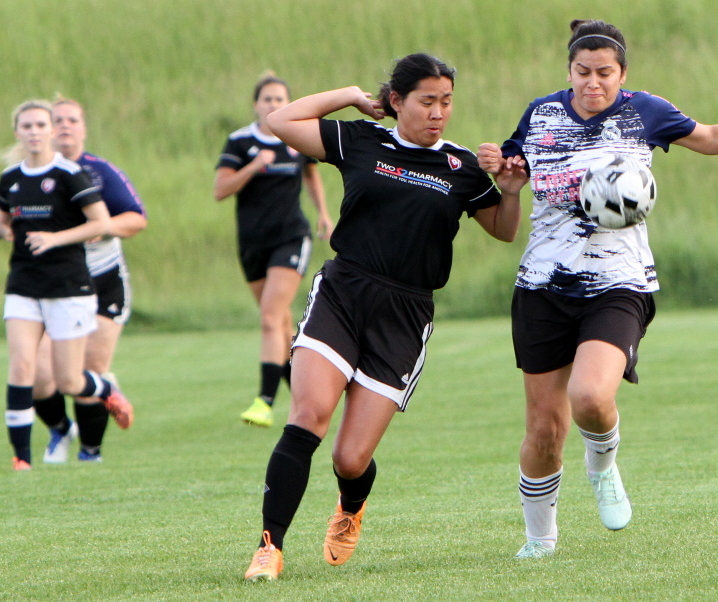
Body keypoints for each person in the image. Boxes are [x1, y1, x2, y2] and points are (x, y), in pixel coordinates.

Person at [478, 19, 718, 559]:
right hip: (542, 284)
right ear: (569, 71)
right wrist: (501, 167)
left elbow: (710, 137)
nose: (593, 83)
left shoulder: (644, 112)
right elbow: (514, 169)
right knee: (543, 428)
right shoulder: (541, 113)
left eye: (604, 74)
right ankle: (539, 541)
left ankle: (603, 464)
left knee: (590, 397)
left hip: (620, 284)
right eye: (582, 73)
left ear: (623, 74)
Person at [242, 53, 528, 582]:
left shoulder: (461, 166)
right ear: (395, 102)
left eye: (445, 102)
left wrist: (510, 193)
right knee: (308, 416)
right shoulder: (361, 140)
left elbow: (505, 231)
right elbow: (280, 123)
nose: (438, 112)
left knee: (350, 459)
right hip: (343, 295)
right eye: (426, 101)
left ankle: (350, 506)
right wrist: (349, 95)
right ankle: (269, 547)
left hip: (404, 313)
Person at [0, 100, 134, 471]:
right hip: (24, 284)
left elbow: (100, 223)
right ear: (17, 132)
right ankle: (22, 459)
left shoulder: (68, 174)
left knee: (70, 380)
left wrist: (55, 239)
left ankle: (105, 390)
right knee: (22, 369)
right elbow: (2, 224)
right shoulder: (10, 178)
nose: (33, 132)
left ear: (49, 131)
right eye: (26, 126)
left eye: (40, 125)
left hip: (69, 285)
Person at [32, 96, 148, 464]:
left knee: (88, 369)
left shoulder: (99, 172)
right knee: (38, 375)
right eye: (58, 120)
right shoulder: (32, 175)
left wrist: (103, 227)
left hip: (103, 282)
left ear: (83, 127)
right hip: (57, 285)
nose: (64, 125)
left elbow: (136, 218)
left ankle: (90, 455)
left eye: (72, 120)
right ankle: (60, 430)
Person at [214, 73, 334, 428]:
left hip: (291, 237)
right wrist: (252, 166)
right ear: (255, 105)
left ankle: (264, 402)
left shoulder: (296, 138)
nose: (273, 105)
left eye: (280, 99)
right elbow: (220, 189)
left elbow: (311, 174)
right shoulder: (239, 142)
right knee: (280, 326)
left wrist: (324, 213)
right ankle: (307, 401)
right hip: (252, 244)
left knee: (270, 316)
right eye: (266, 99)